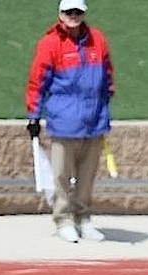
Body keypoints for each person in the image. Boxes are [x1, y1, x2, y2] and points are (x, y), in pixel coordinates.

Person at [25, 0, 115, 243]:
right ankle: (63, 219)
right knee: (61, 175)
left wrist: (106, 103)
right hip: (64, 121)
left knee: (87, 176)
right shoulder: (50, 43)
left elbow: (107, 75)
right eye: (69, 12)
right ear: (60, 14)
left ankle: (84, 218)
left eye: (78, 12)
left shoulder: (97, 39)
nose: (73, 16)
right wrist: (33, 115)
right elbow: (37, 82)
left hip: (94, 121)